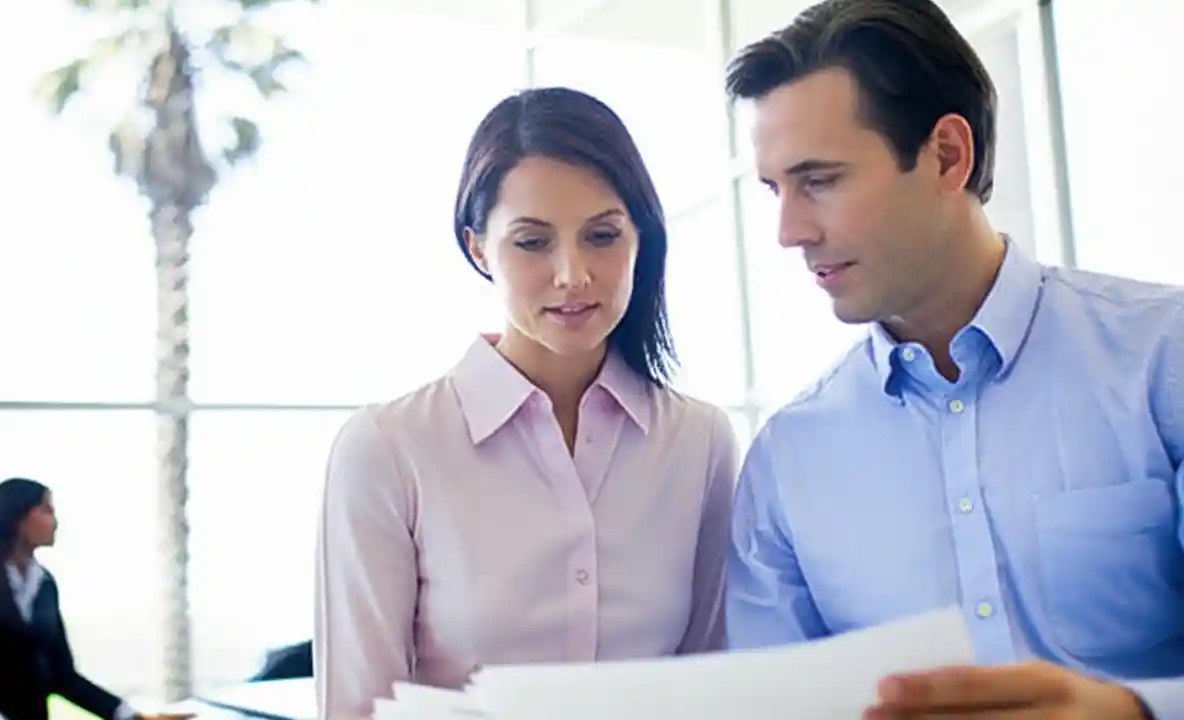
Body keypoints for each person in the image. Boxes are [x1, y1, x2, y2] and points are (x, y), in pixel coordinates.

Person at [722, 0, 1183, 718]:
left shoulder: (1163, 361)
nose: (788, 231)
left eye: (820, 180)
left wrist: (1132, 711)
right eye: (775, 188)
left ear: (947, 155)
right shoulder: (786, 464)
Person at [313, 86, 737, 719]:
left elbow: (713, 686)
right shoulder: (389, 450)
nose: (573, 274)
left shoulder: (699, 443)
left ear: (640, 238)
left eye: (601, 235)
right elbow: (357, 710)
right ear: (479, 247)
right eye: (533, 242)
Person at [0, 478, 169, 720]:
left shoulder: (44, 586)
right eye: (47, 510)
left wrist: (125, 713)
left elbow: (61, 674)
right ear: (18, 518)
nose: (56, 522)